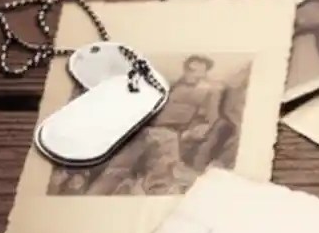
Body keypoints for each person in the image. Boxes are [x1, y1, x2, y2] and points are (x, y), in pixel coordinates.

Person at [85, 55, 223, 195]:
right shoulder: (172, 86)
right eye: (189, 69)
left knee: (160, 179)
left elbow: (209, 122)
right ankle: (90, 199)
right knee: (116, 169)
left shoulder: (209, 91)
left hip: (169, 135)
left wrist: (184, 136)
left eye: (197, 70)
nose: (192, 73)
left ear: (204, 72)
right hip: (144, 131)